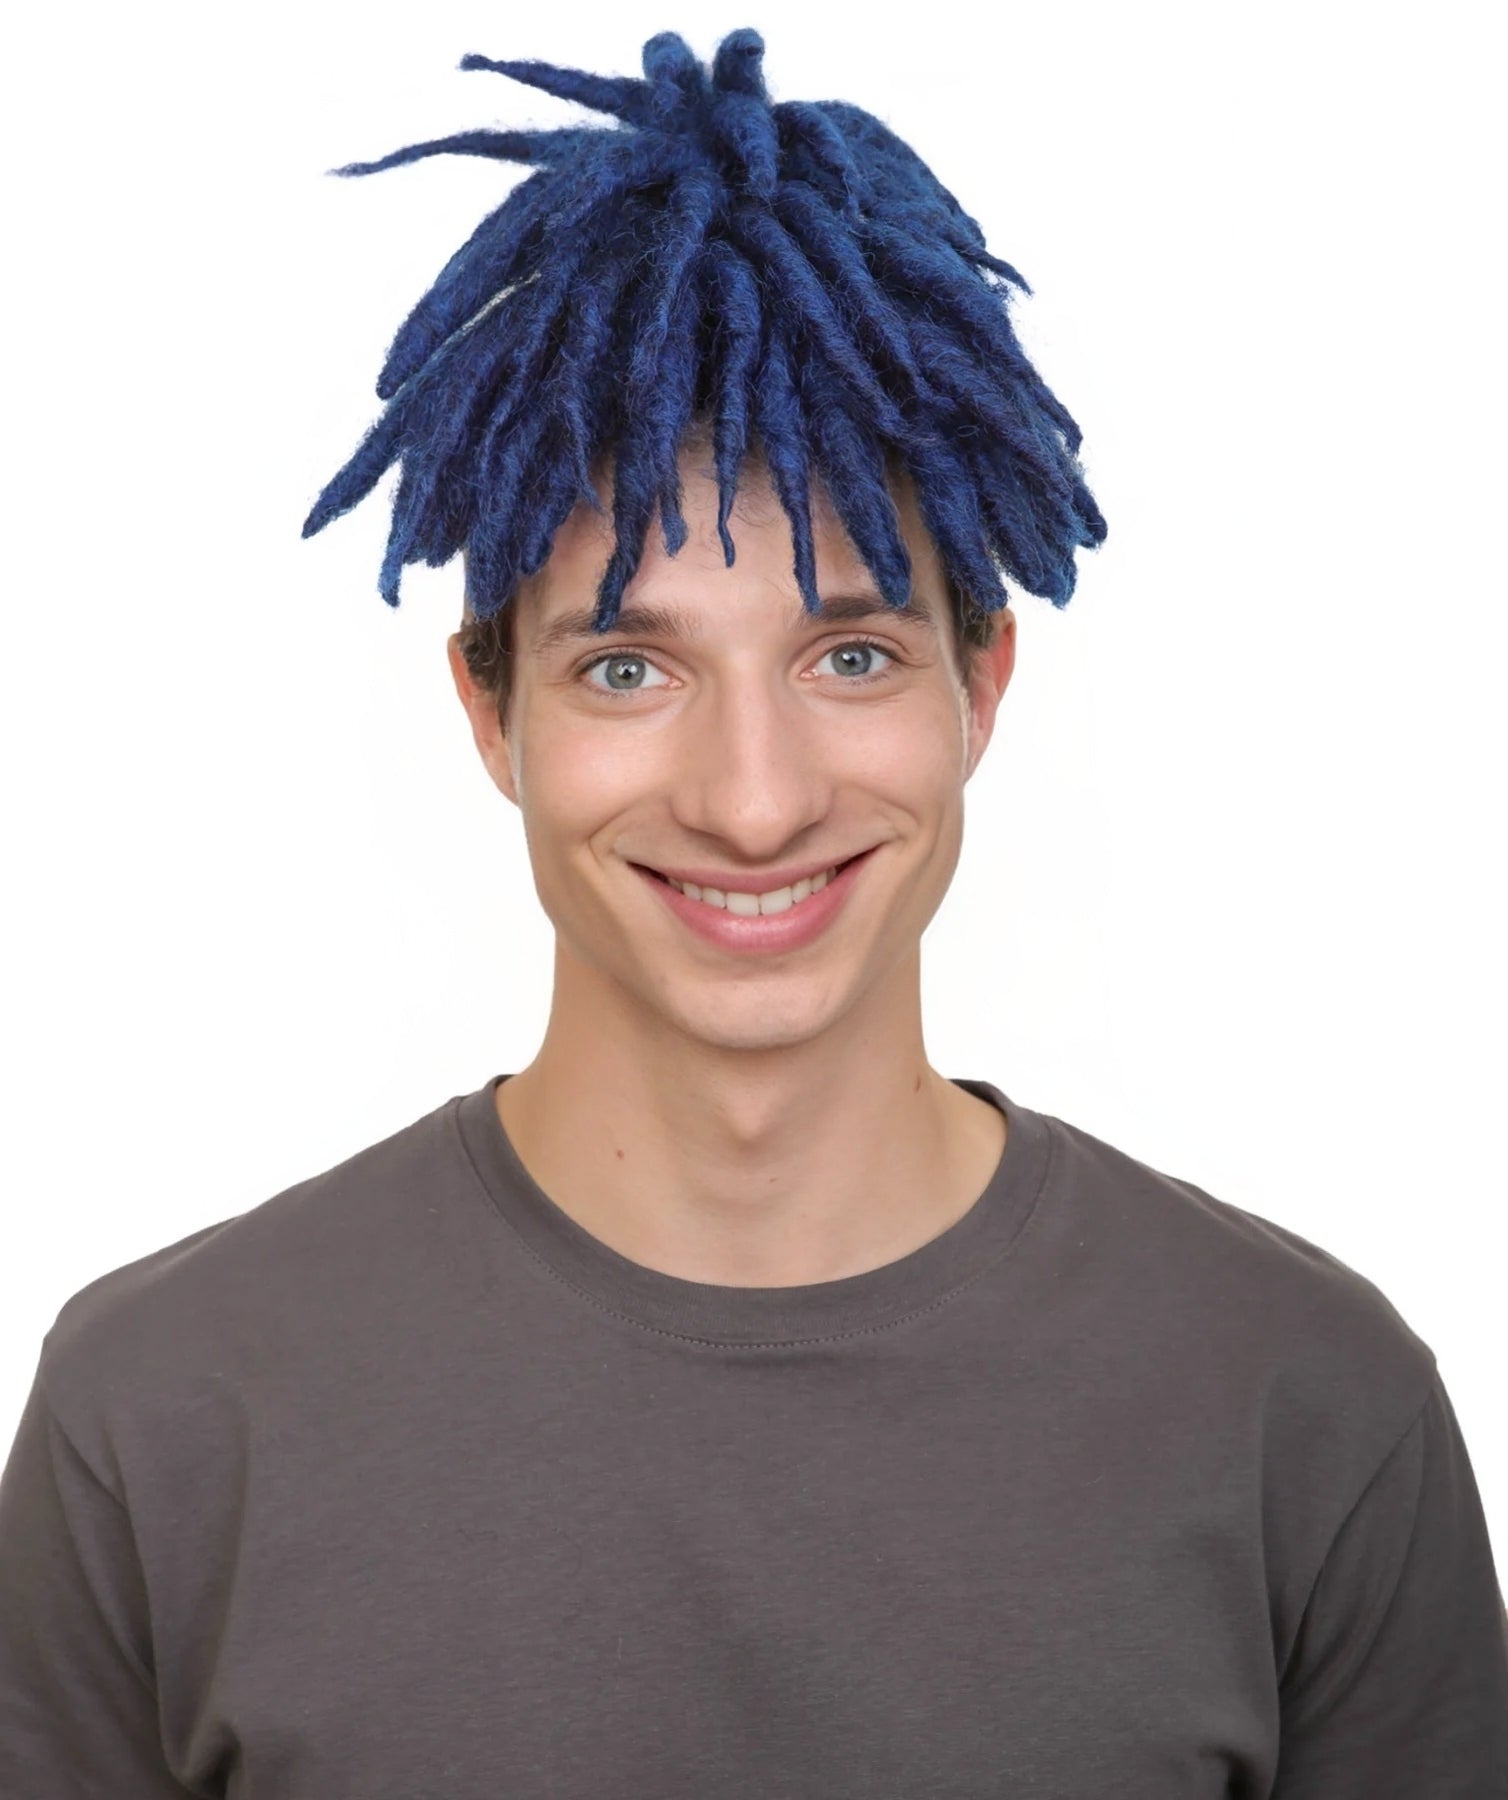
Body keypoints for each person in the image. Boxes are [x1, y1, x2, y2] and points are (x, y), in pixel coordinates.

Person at [1, 24, 1503, 1798]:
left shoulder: (1306, 1411)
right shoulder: (162, 1422)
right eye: (628, 667)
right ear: (489, 711)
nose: (753, 798)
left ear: (982, 688)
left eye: (850, 655)